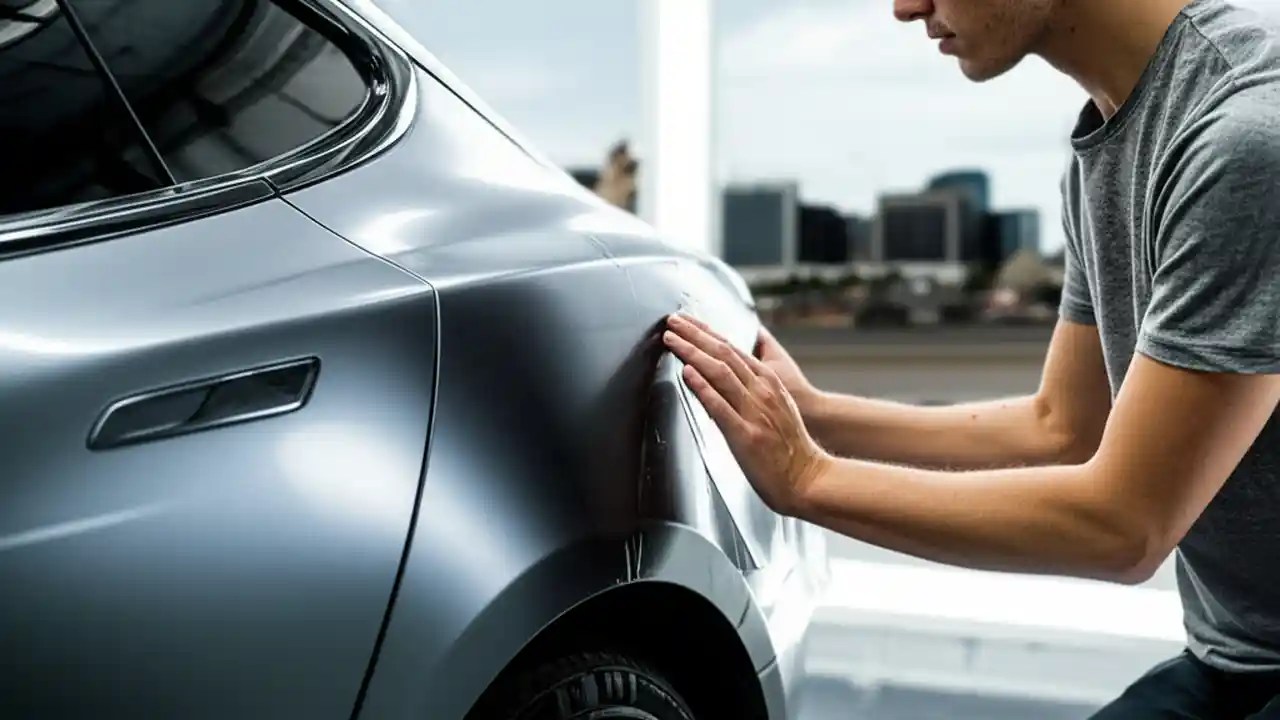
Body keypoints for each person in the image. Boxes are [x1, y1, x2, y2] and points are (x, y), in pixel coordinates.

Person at [661, 0, 1280, 717]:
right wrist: (819, 417)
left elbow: (1124, 526)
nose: (905, 7)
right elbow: (1063, 428)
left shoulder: (1246, 139)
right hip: (1234, 658)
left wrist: (809, 480)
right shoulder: (1107, 152)